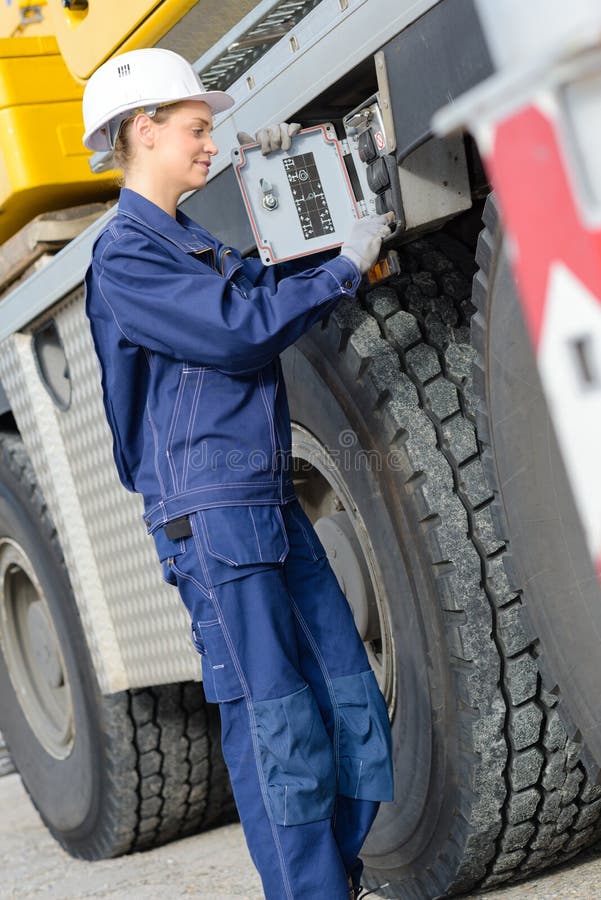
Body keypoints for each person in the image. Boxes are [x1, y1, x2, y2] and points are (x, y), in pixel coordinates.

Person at [82, 47, 394, 900]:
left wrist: (295, 181)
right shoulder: (125, 257)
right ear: (141, 131)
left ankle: (340, 878)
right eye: (195, 129)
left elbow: (264, 285)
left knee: (344, 697)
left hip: (259, 496)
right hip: (211, 514)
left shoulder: (184, 242)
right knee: (277, 720)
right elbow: (235, 329)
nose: (208, 145)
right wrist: (337, 268)